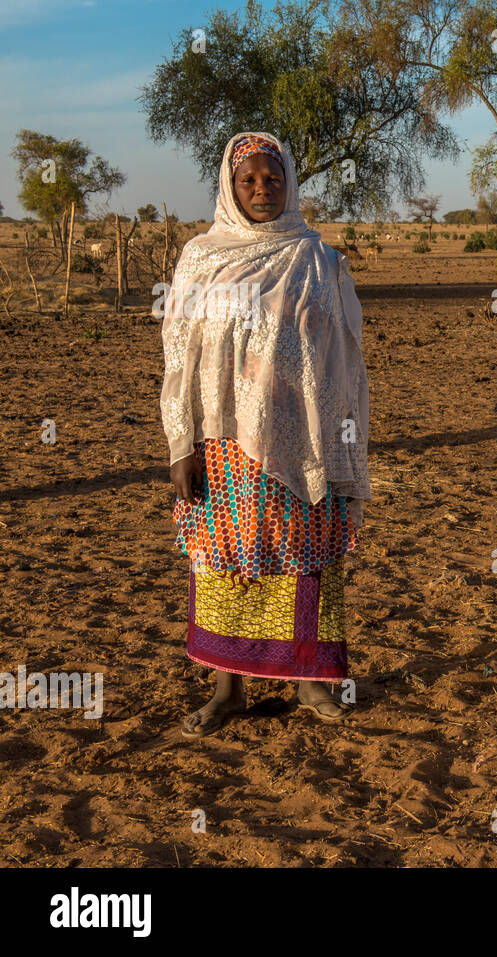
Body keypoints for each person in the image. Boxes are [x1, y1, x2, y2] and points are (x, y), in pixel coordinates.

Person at [160, 132, 371, 738]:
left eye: (272, 179)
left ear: (290, 183)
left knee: (305, 557)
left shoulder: (319, 260)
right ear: (230, 185)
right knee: (225, 557)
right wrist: (182, 444)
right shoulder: (202, 258)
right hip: (225, 442)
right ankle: (227, 690)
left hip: (307, 438)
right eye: (249, 179)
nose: (261, 189)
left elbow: (345, 358)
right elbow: (180, 355)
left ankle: (311, 683)